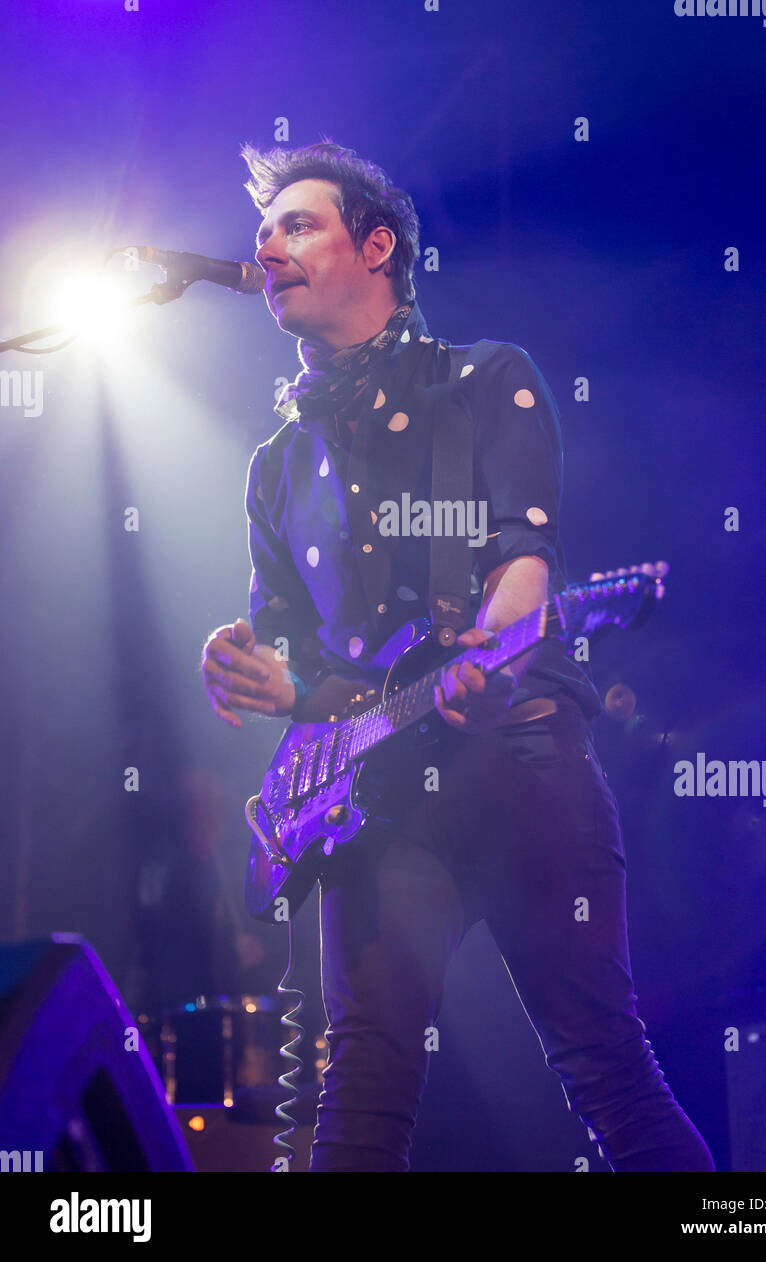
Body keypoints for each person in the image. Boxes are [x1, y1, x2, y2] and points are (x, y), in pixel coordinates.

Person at [201, 140, 714, 1173]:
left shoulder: (486, 378)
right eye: (263, 231)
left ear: (376, 245)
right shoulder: (275, 464)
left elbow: (526, 562)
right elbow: (300, 659)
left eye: (297, 222)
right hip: (372, 797)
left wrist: (499, 648)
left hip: (518, 756)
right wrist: (256, 671)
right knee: (354, 1095)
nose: (268, 244)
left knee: (606, 1068)